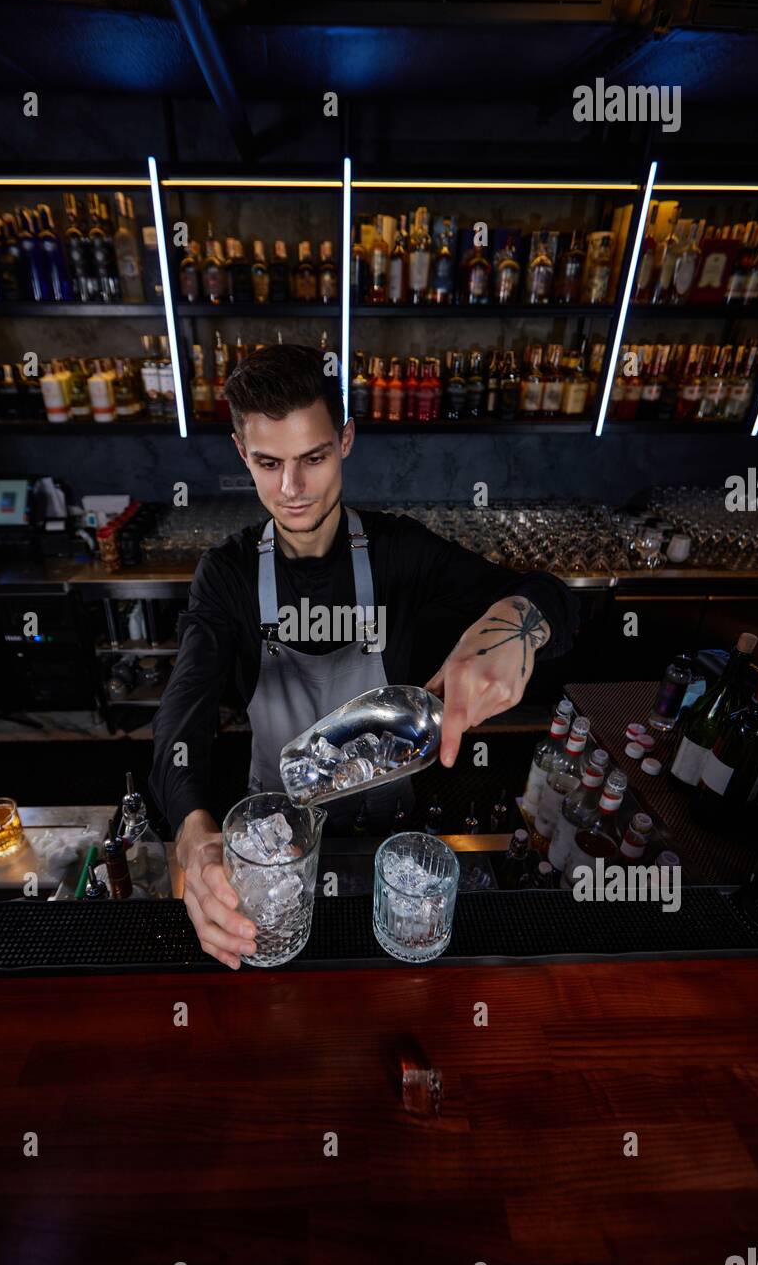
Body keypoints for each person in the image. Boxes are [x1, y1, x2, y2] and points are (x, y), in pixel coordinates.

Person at [151, 345, 578, 968]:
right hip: (279, 854)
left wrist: (517, 624)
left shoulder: (398, 551)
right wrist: (193, 836)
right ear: (242, 453)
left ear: (346, 439)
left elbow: (553, 597)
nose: (292, 489)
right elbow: (178, 720)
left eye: (314, 458)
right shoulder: (228, 575)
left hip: (390, 842)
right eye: (269, 463)